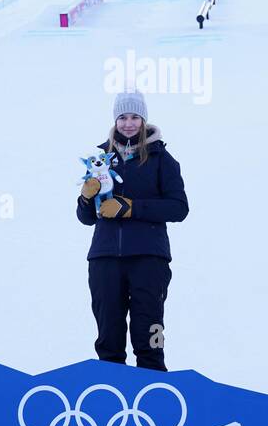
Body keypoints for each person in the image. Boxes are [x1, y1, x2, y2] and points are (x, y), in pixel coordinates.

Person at [76, 91, 188, 370]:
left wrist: (130, 208)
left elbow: (178, 208)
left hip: (149, 258)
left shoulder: (162, 159)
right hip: (104, 259)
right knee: (108, 339)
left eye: (134, 117)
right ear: (115, 120)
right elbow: (86, 218)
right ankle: (111, 399)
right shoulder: (100, 161)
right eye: (123, 117)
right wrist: (86, 198)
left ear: (144, 120)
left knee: (149, 333)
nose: (128, 123)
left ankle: (156, 396)